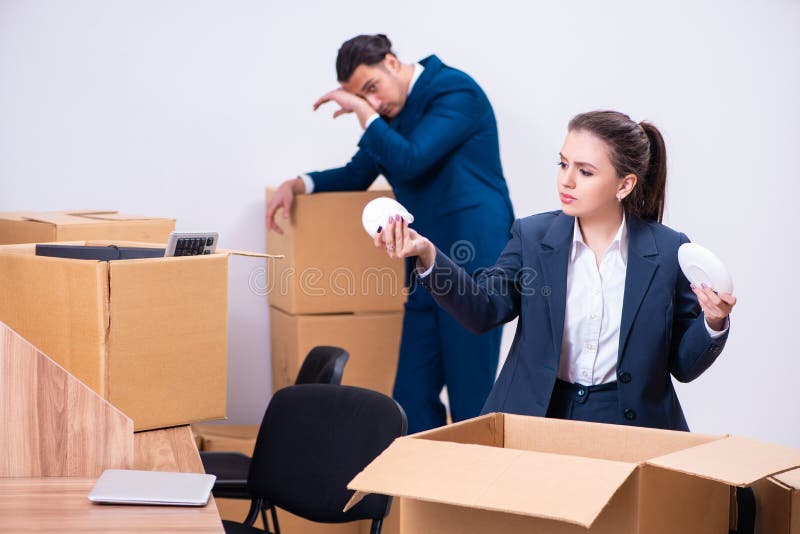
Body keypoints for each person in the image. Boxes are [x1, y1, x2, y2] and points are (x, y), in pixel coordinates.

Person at [374, 110, 736, 431]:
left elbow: (683, 366)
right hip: (540, 416)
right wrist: (426, 253)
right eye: (563, 164)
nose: (567, 181)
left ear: (624, 185)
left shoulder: (669, 250)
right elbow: (483, 309)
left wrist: (713, 323)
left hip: (632, 425)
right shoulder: (531, 237)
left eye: (585, 171)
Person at [266, 34, 514, 433]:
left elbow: (411, 161)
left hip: (473, 256)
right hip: (422, 261)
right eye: (363, 97)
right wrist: (299, 183)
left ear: (392, 63)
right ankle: (418, 489)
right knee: (412, 391)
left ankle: (477, 490)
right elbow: (357, 173)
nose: (374, 102)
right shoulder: (393, 113)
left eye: (371, 89)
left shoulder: (454, 90)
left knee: (471, 392)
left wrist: (365, 114)